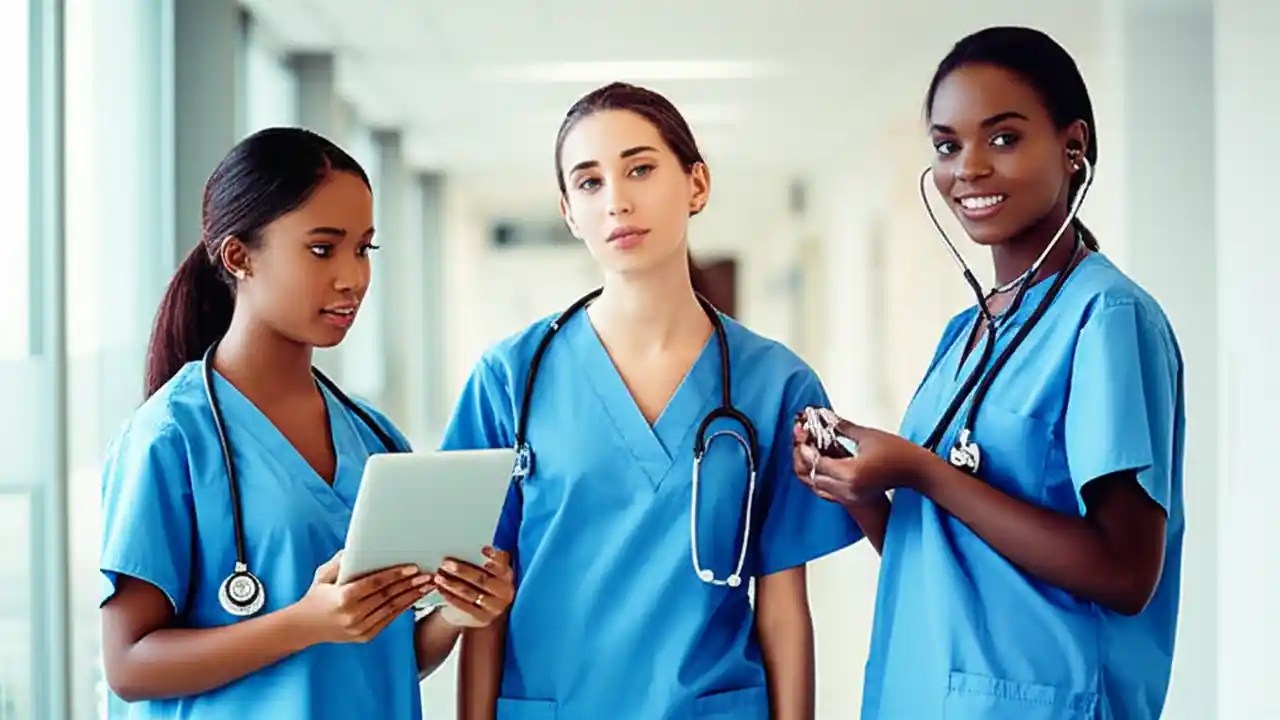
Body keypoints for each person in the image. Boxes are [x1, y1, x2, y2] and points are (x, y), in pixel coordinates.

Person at [793, 27, 1186, 719]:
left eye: (1003, 138)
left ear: (1073, 147)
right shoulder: (966, 332)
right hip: (921, 693)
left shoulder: (1107, 317)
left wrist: (921, 469)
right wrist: (857, 485)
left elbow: (1127, 574)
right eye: (948, 146)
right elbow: (944, 558)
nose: (967, 167)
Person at [441, 82, 862, 720]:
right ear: (568, 211)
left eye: (640, 169)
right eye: (589, 183)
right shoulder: (509, 378)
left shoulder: (775, 384)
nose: (617, 201)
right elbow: (480, 599)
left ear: (696, 185)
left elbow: (782, 609)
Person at [98, 127, 515, 718]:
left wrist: (458, 613)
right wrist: (302, 624)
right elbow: (128, 665)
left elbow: (387, 654)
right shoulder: (171, 436)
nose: (353, 277)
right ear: (239, 256)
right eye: (323, 248)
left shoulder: (373, 438)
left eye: (364, 248)